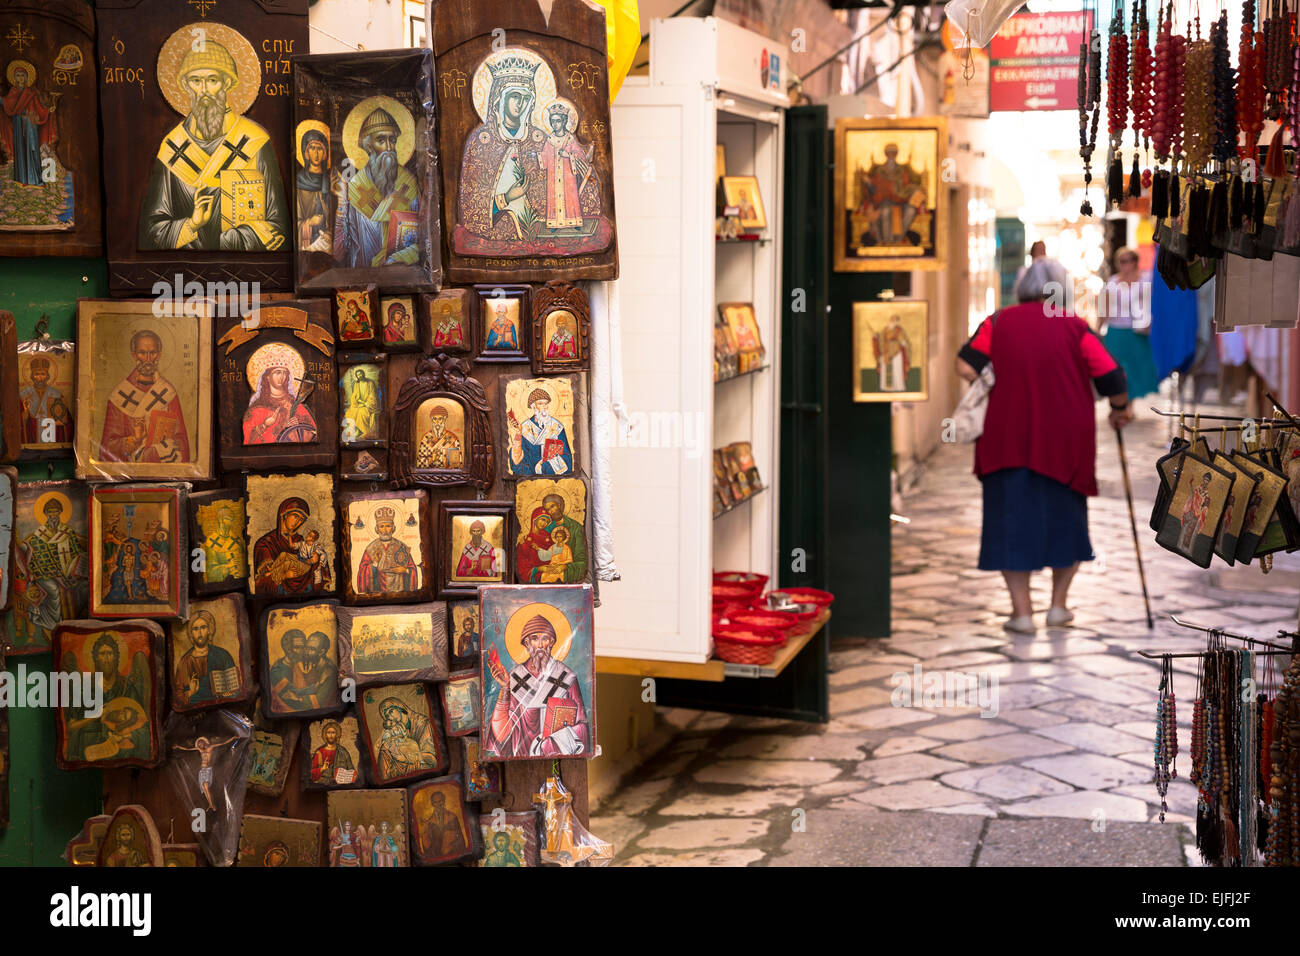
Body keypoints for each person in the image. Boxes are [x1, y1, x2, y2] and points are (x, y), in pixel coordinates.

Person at [956, 257, 1132, 634]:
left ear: (1022, 289)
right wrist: (1120, 411)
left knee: (1009, 524)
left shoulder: (999, 321)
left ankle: (1021, 614)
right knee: (1065, 522)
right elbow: (1111, 376)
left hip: (1006, 441)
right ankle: (1058, 607)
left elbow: (966, 366)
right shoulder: (1073, 327)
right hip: (1064, 445)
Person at [138, 39, 287, 251]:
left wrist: (235, 238)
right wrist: (192, 224)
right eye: (196, 81)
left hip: (243, 272)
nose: (204, 90)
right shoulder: (173, 147)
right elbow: (151, 233)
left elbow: (278, 228)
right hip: (183, 273)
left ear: (227, 83)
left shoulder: (254, 140)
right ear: (186, 86)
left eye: (213, 80)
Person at [485, 613, 589, 758]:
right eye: (534, 638)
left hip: (557, 754)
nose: (540, 645)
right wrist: (504, 688)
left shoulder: (566, 677)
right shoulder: (515, 677)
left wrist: (552, 742)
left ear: (551, 642)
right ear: (527, 644)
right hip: (522, 759)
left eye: (545, 638)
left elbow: (582, 725)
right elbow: (504, 732)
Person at [99, 330, 190, 463]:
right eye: (142, 353)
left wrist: (159, 449)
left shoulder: (168, 393)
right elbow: (107, 447)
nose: (148, 359)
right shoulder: (119, 396)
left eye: (152, 353)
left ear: (159, 355)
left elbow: (181, 441)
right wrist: (132, 441)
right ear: (134, 355)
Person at [1097, 246, 1159, 400]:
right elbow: (1104, 308)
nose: (1123, 265)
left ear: (1134, 262)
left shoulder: (1146, 279)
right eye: (1120, 261)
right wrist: (1097, 330)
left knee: (1136, 369)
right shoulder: (1112, 282)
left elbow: (1155, 304)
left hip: (1137, 331)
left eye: (1126, 261)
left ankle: (1129, 403)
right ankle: (1123, 402)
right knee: (1117, 368)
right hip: (1116, 331)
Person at [174, 608, 239, 705]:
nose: (199, 633)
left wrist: (229, 694)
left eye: (203, 627)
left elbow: (236, 689)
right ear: (191, 633)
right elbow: (178, 696)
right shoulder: (185, 661)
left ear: (209, 630)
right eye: (195, 629)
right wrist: (190, 693)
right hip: (195, 712)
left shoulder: (222, 655)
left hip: (221, 707)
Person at [355, 506, 416, 595]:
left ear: (393, 528)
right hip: (378, 591)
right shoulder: (371, 548)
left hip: (399, 591)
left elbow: (412, 569)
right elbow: (362, 571)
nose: (385, 530)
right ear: (377, 528)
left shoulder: (401, 547)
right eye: (382, 526)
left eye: (388, 526)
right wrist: (375, 565)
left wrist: (405, 570)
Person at [310, 719, 355, 785]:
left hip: (340, 785)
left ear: (337, 735)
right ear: (325, 735)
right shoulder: (319, 752)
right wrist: (322, 769)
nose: (331, 735)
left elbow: (351, 770)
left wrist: (352, 776)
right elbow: (311, 773)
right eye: (328, 732)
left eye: (333, 732)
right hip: (323, 784)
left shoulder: (343, 752)